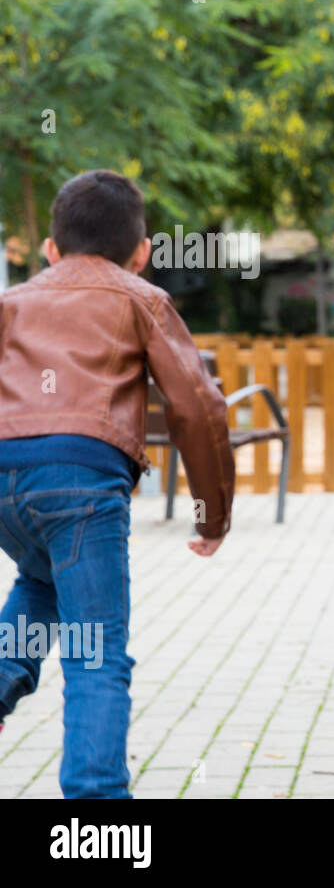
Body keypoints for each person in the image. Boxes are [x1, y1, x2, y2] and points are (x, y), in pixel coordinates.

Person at [0, 170, 234, 798]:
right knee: (95, 652)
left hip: (5, 482)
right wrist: (211, 515)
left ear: (51, 249)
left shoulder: (12, 302)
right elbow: (199, 408)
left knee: (43, 578)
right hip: (81, 482)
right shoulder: (141, 298)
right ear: (144, 253)